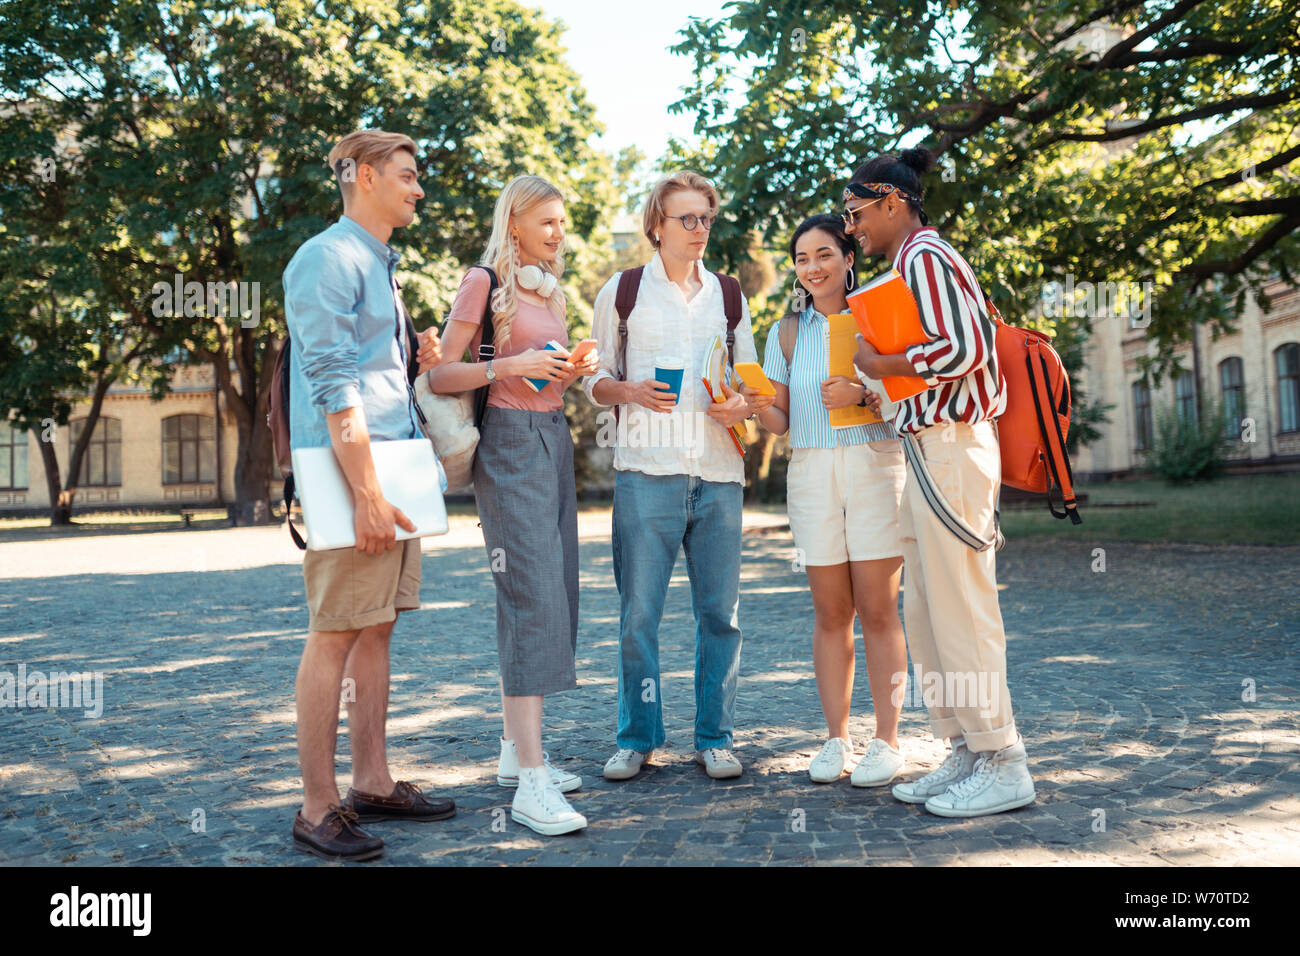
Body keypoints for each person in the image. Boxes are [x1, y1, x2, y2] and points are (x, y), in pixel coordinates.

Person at [845, 146, 1036, 817]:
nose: (851, 227)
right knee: (927, 608)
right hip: (928, 450)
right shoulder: (910, 264)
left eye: (858, 212)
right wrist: (884, 376)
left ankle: (1004, 759)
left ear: (893, 202)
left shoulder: (927, 256)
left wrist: (881, 359)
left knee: (962, 604)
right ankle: (966, 748)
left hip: (954, 448)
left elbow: (968, 348)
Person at [286, 129, 456, 862]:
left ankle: (372, 781)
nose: (419, 188)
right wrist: (365, 494)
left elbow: (370, 374)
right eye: (408, 176)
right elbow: (332, 383)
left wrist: (416, 356)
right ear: (359, 175)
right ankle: (317, 807)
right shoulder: (327, 257)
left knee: (377, 627)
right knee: (336, 632)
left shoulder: (378, 264)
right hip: (359, 477)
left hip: (396, 466)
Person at [423, 175, 598, 836]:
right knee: (533, 599)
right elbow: (441, 375)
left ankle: (511, 752)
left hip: (554, 439)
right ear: (515, 221)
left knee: (555, 593)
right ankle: (530, 782)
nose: (559, 233)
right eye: (547, 221)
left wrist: (570, 369)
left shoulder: (547, 289)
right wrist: (509, 367)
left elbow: (538, 363)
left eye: (562, 222)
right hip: (510, 444)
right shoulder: (482, 282)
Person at [585, 170, 764, 782]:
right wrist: (629, 389)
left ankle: (715, 737)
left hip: (717, 474)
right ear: (656, 225)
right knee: (639, 615)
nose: (698, 229)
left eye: (705, 219)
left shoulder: (730, 295)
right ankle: (637, 737)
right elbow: (592, 379)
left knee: (721, 616)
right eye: (686, 219)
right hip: (647, 473)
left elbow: (751, 382)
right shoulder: (624, 291)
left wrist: (741, 404)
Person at [752, 213, 909, 786]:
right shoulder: (785, 332)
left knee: (877, 609)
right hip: (813, 471)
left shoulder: (881, 316)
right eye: (801, 258)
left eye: (824, 254)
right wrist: (750, 403)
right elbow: (779, 420)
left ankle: (888, 740)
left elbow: (910, 401)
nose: (812, 267)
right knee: (830, 613)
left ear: (848, 258)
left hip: (874, 465)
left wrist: (865, 395)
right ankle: (836, 738)